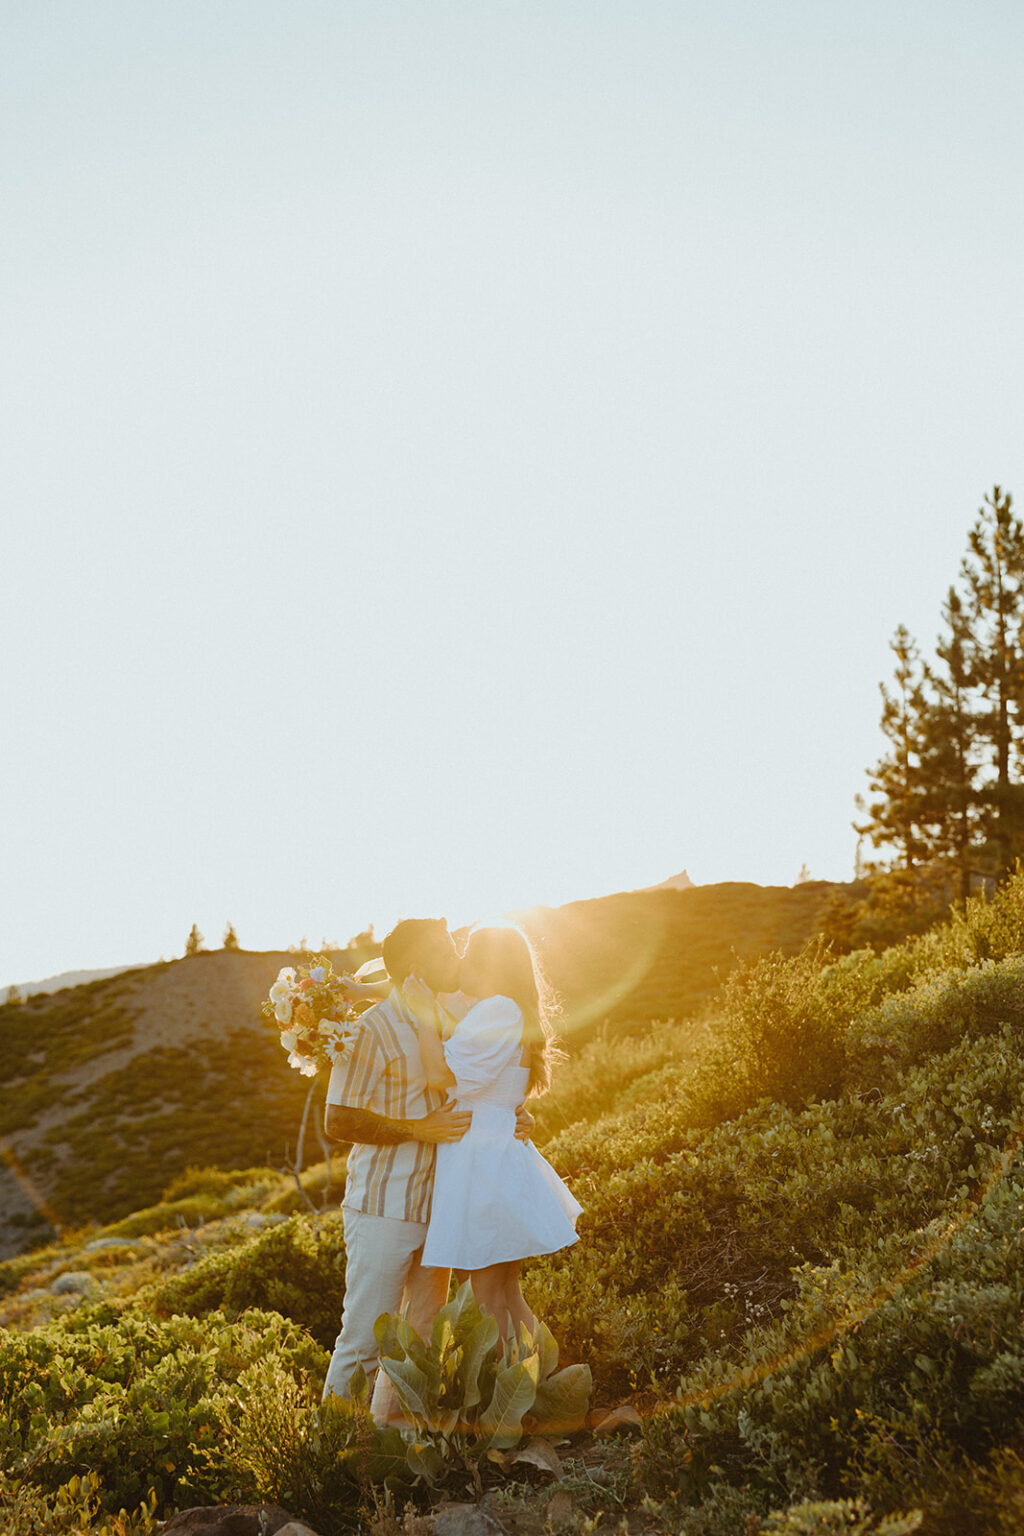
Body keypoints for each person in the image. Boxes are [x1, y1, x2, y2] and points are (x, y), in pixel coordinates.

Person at [321, 917, 533, 1412]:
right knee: (364, 1337)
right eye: (446, 950)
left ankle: (386, 1441)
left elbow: (485, 1071)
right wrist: (418, 1130)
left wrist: (513, 1112)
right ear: (418, 968)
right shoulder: (369, 1028)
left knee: (419, 1338)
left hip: (441, 1203)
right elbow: (338, 1118)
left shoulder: (452, 1012)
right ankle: (331, 1455)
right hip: (384, 1204)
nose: (458, 957)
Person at [409, 923, 581, 1342]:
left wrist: (422, 1018)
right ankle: (536, 1386)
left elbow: (437, 1074)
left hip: (483, 1163)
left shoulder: (497, 1010)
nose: (461, 962)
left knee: (486, 1297)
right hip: (498, 1154)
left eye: (468, 954)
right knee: (504, 1291)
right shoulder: (501, 1008)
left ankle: (506, 1400)